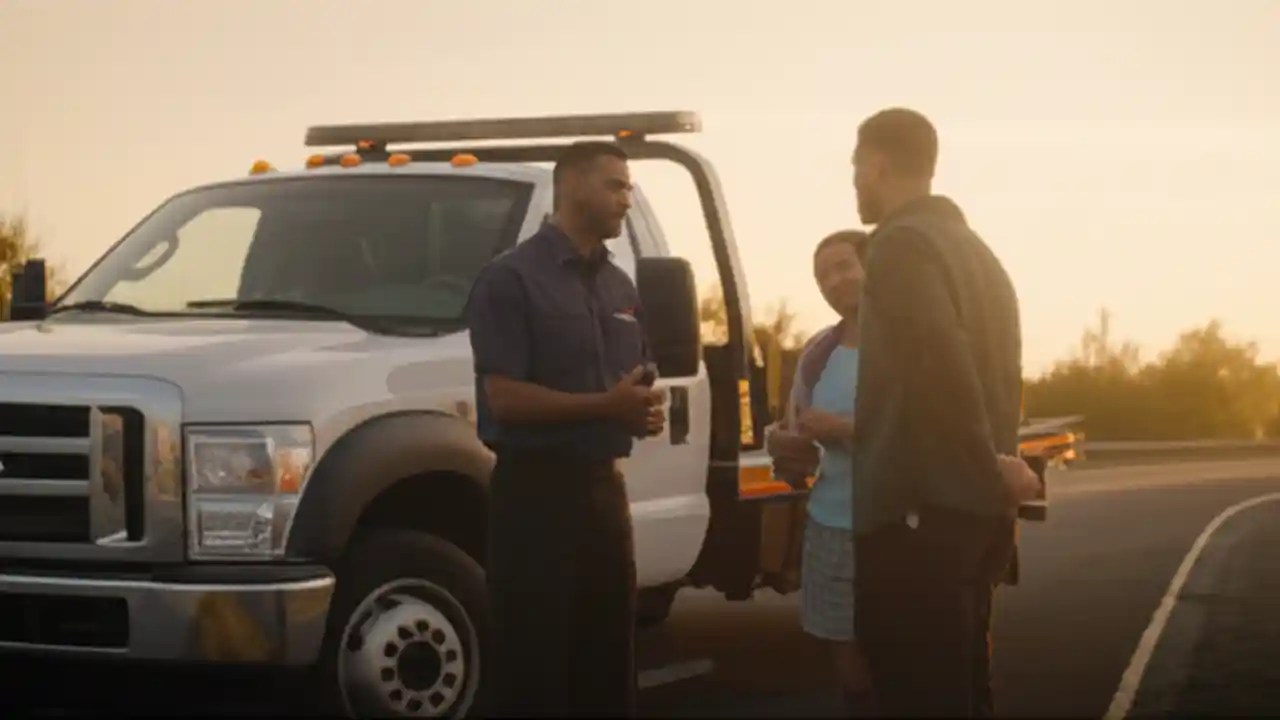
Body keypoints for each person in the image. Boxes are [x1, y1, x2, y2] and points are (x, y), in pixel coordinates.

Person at [847, 107, 1041, 717]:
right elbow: (997, 378)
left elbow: (939, 366)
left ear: (877, 164)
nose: (854, 183)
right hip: (972, 517)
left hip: (918, 516)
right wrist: (994, 473)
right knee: (962, 689)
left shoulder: (901, 245)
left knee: (917, 692)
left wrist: (984, 463)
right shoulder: (979, 255)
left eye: (855, 169)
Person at [465, 141, 666, 718]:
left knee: (607, 662)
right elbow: (504, 399)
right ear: (572, 185)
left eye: (627, 187)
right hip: (533, 498)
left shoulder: (620, 288)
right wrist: (607, 404)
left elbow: (634, 382)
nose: (627, 199)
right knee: (535, 668)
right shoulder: (509, 280)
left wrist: (642, 411)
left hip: (605, 493)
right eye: (616, 185)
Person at [766, 230, 877, 715]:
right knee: (851, 676)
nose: (833, 281)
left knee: (902, 666)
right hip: (831, 524)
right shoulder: (819, 352)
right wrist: (783, 446)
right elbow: (797, 442)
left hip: (896, 527)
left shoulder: (908, 345)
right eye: (822, 275)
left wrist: (844, 429)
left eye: (843, 266)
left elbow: (928, 434)